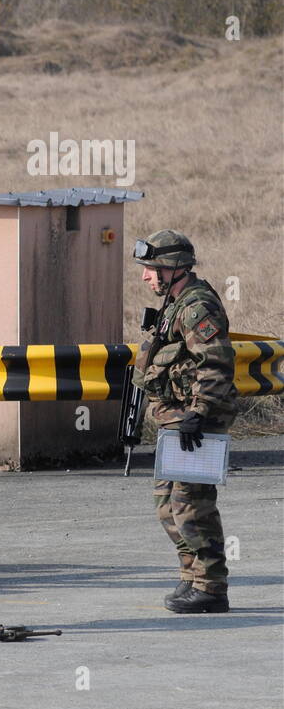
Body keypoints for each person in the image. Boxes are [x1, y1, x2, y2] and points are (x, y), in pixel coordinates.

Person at [132, 230, 236, 613]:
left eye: (152, 269)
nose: (146, 277)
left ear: (173, 268)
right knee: (167, 505)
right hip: (177, 420)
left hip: (196, 423)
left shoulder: (197, 306)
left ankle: (211, 588)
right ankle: (192, 575)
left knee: (192, 505)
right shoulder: (175, 303)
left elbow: (217, 362)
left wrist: (199, 412)